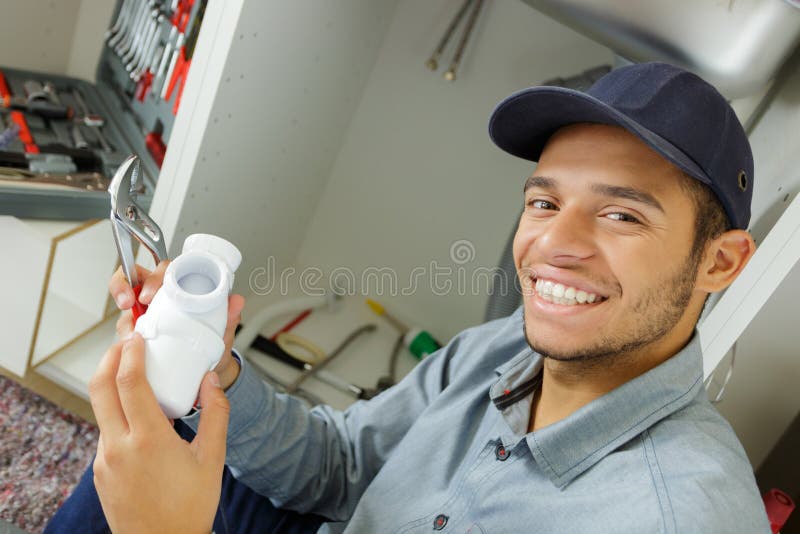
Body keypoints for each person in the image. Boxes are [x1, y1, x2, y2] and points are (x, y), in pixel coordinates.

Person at [46, 62, 771, 533]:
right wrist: (213, 364)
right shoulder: (509, 344)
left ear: (720, 262)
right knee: (164, 428)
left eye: (621, 215)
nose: (558, 244)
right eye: (545, 203)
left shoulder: (676, 517)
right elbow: (342, 468)